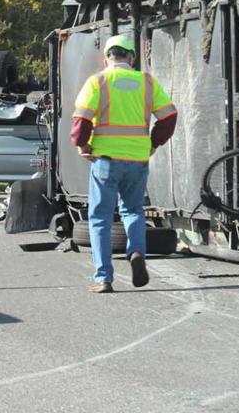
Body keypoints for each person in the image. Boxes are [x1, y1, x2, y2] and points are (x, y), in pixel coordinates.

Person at [71, 33, 177, 293]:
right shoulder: (147, 82)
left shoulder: (98, 82)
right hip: (138, 160)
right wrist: (153, 144)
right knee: (133, 211)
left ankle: (103, 277)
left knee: (100, 218)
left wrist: (82, 145)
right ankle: (137, 252)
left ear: (107, 59)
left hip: (106, 159)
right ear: (131, 57)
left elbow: (81, 121)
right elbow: (169, 117)